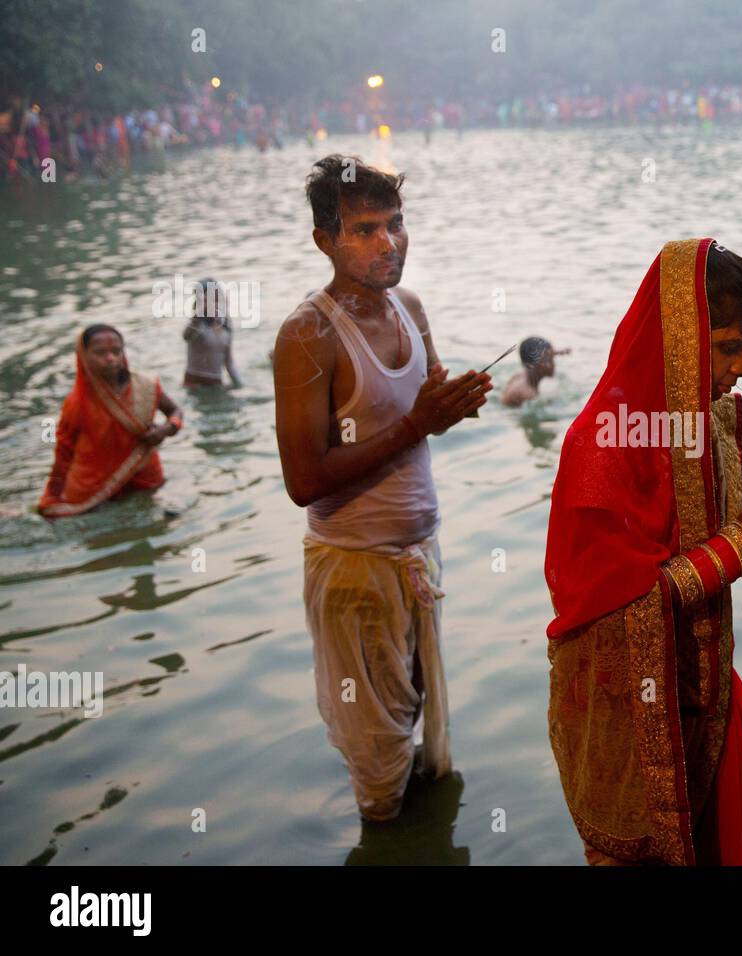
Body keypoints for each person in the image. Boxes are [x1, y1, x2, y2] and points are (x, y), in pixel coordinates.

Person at [545, 239, 742, 866]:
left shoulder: (701, 421)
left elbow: (717, 551)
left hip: (705, 693)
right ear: (679, 337)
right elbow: (610, 610)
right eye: (730, 347)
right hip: (630, 715)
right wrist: (740, 544)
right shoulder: (603, 446)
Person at [273, 155, 493, 822]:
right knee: (378, 758)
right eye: (365, 230)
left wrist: (450, 407)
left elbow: (419, 414)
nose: (388, 243)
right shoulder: (308, 334)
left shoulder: (410, 308)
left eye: (396, 224)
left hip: (419, 556)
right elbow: (303, 481)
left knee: (417, 718)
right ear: (324, 242)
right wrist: (419, 423)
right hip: (353, 567)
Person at [39, 325, 182, 517]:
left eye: (116, 351)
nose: (110, 358)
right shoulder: (76, 403)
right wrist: (53, 495)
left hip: (145, 474)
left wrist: (166, 429)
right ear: (83, 356)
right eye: (100, 353)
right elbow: (64, 451)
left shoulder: (145, 386)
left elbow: (175, 411)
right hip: (94, 485)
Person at [183, 278, 242, 388]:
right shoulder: (196, 323)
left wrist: (239, 384)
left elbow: (229, 362)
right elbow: (186, 336)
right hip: (194, 386)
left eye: (215, 298)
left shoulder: (226, 323)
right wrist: (198, 314)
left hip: (216, 385)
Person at [501, 336, 566, 407]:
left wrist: (559, 352)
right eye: (548, 360)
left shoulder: (521, 374)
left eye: (552, 358)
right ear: (532, 365)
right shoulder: (528, 394)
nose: (553, 365)